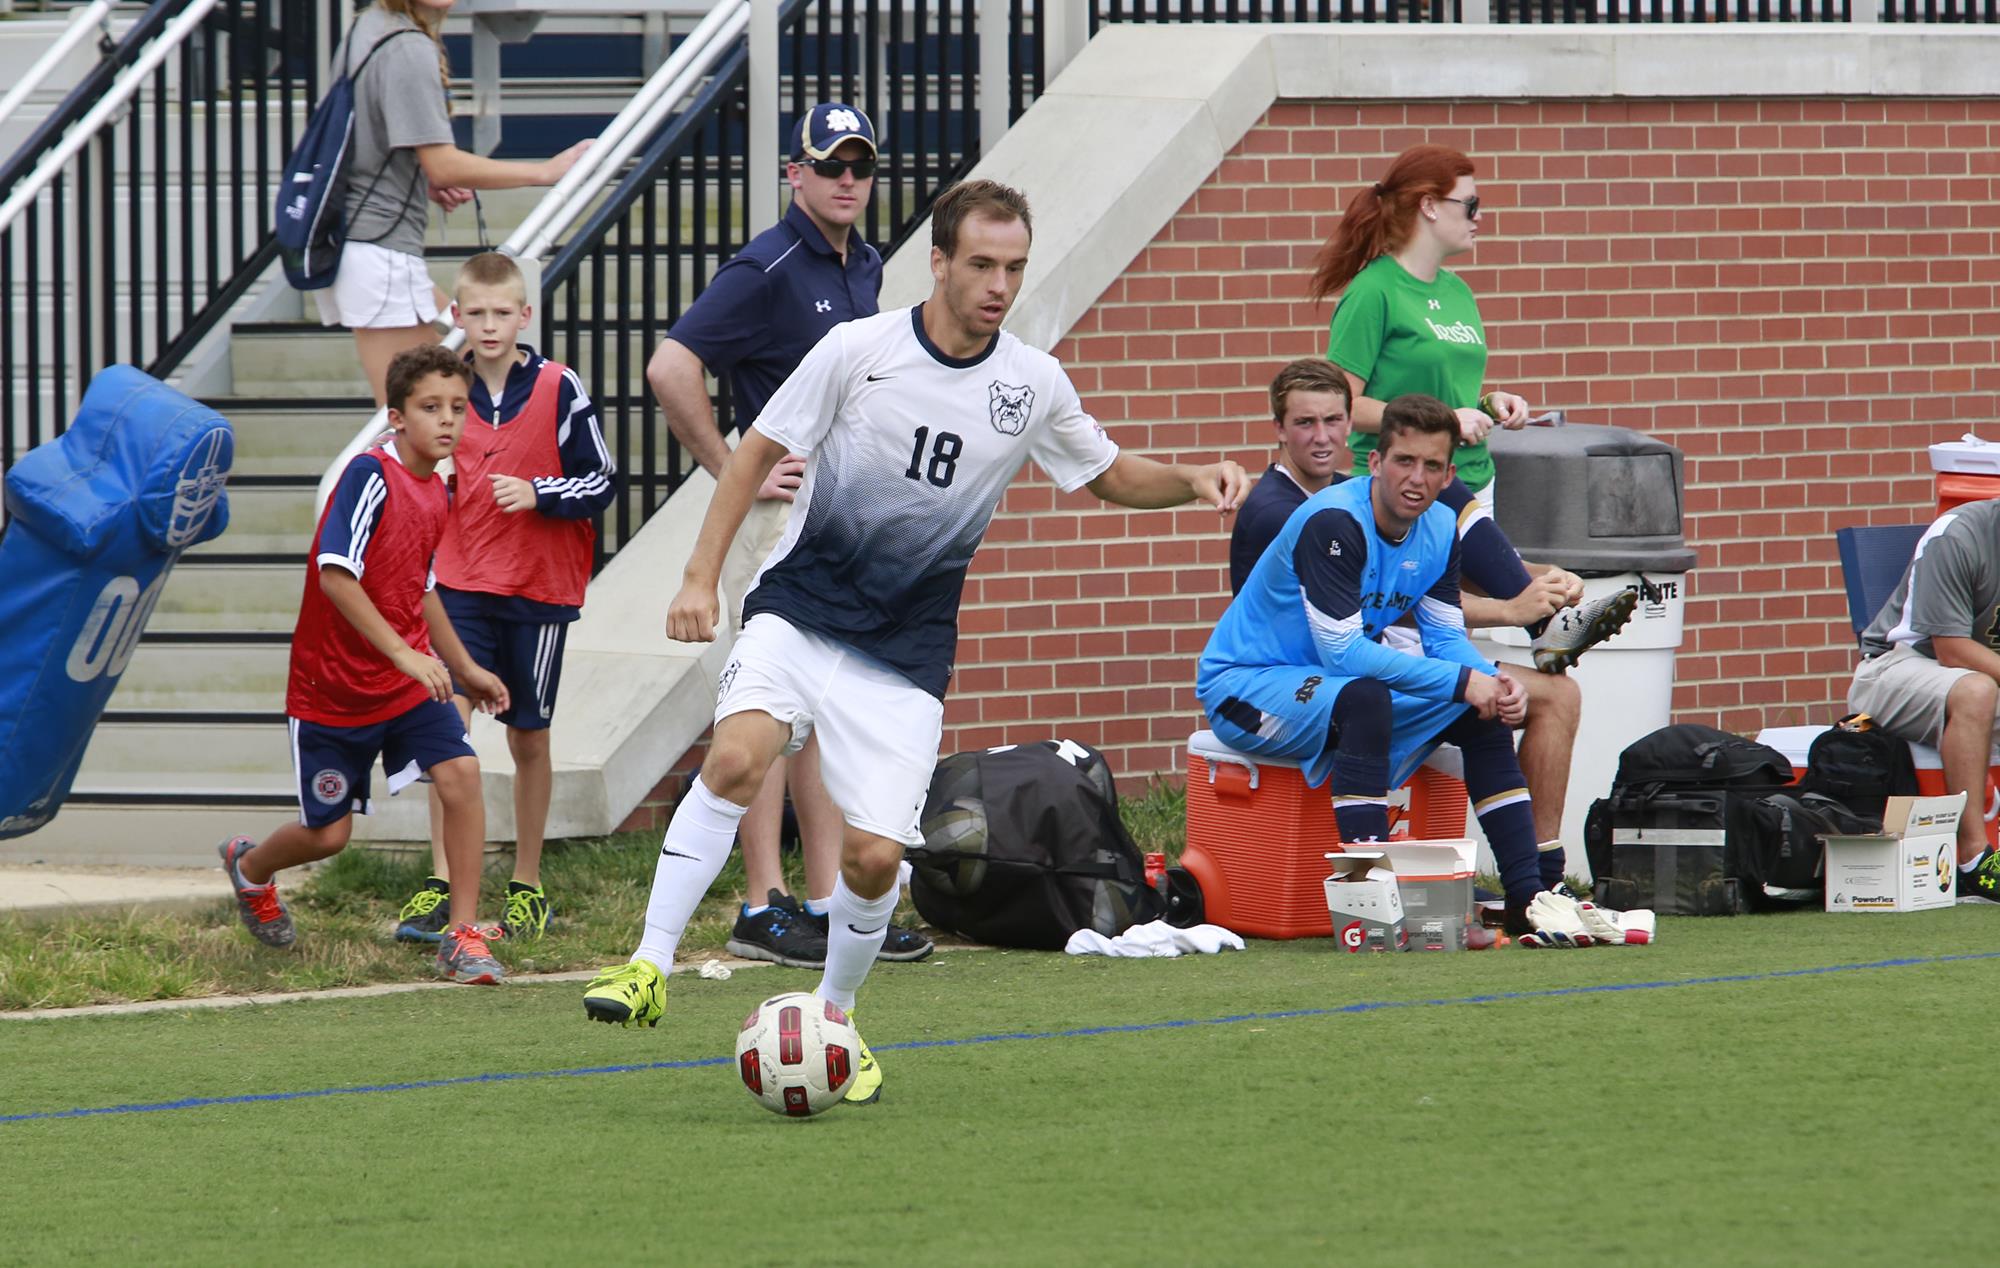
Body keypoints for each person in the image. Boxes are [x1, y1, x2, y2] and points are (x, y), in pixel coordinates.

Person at [582, 179, 1248, 1102]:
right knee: (737, 759)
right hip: (802, 611)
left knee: (876, 860)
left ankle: (837, 1019)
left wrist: (1191, 477)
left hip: (904, 654)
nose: (998, 284)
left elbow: (1106, 475)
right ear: (937, 261)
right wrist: (699, 575)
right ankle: (648, 965)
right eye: (981, 264)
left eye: (1013, 268)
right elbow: (753, 452)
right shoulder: (859, 349)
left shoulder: (1031, 383)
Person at [644, 103, 930, 968]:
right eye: (830, 164)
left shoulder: (866, 263)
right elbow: (670, 365)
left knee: (820, 705)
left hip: (835, 518)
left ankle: (822, 901)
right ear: (793, 174)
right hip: (776, 517)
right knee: (763, 711)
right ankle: (761, 903)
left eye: (861, 166)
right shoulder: (766, 264)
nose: (848, 179)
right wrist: (729, 463)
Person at [1199, 393, 1569, 937]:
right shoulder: (1333, 523)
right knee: (1368, 697)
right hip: (1244, 689)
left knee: (1477, 713)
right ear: (1375, 463)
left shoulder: (1441, 529)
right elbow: (1343, 653)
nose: (1415, 478)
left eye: (1432, 466)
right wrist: (1464, 681)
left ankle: (1528, 898)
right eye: (1404, 461)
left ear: (1448, 478)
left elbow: (1444, 638)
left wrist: (1488, 684)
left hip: (1329, 688)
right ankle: (1373, 910)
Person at [218, 345, 512, 984]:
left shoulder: (439, 487)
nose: (447, 421)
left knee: (462, 774)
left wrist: (463, 668)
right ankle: (250, 867)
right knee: (328, 838)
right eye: (430, 408)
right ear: (396, 416)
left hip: (404, 685)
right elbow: (335, 577)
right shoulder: (368, 476)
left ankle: (461, 935)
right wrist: (408, 655)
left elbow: (422, 587)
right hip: (333, 691)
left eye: (457, 408)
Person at [1307, 143, 1635, 676]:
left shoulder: (1457, 291)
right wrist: (1446, 420)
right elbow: (1340, 407)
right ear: (1430, 206)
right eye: (1471, 204)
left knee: (1460, 639)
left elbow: (1446, 390)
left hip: (1471, 475)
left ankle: (1535, 630)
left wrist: (1488, 404)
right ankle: (1545, 625)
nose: (1481, 219)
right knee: (1439, 638)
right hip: (1411, 482)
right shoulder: (1374, 292)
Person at [388, 251, 617, 945]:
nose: (489, 325)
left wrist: (540, 493)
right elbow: (405, 471)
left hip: (537, 589)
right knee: (443, 731)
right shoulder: (439, 388)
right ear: (457, 315)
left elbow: (603, 481)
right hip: (456, 586)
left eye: (502, 312)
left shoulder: (559, 386)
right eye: (475, 312)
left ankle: (526, 883)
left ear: (525, 314)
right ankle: (443, 883)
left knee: (528, 737)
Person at [316, 0, 590, 406]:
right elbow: (442, 164)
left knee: (468, 381)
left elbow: (368, 141)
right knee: (413, 422)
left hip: (369, 245)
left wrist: (415, 178)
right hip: (381, 251)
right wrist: (544, 172)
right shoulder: (407, 45)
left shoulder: (370, 27)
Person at [1848, 504, 2000, 899]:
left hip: (1984, 674)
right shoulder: (1958, 536)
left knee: (1981, 686)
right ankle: (1971, 859)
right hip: (1895, 667)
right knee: (1976, 690)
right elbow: (1950, 650)